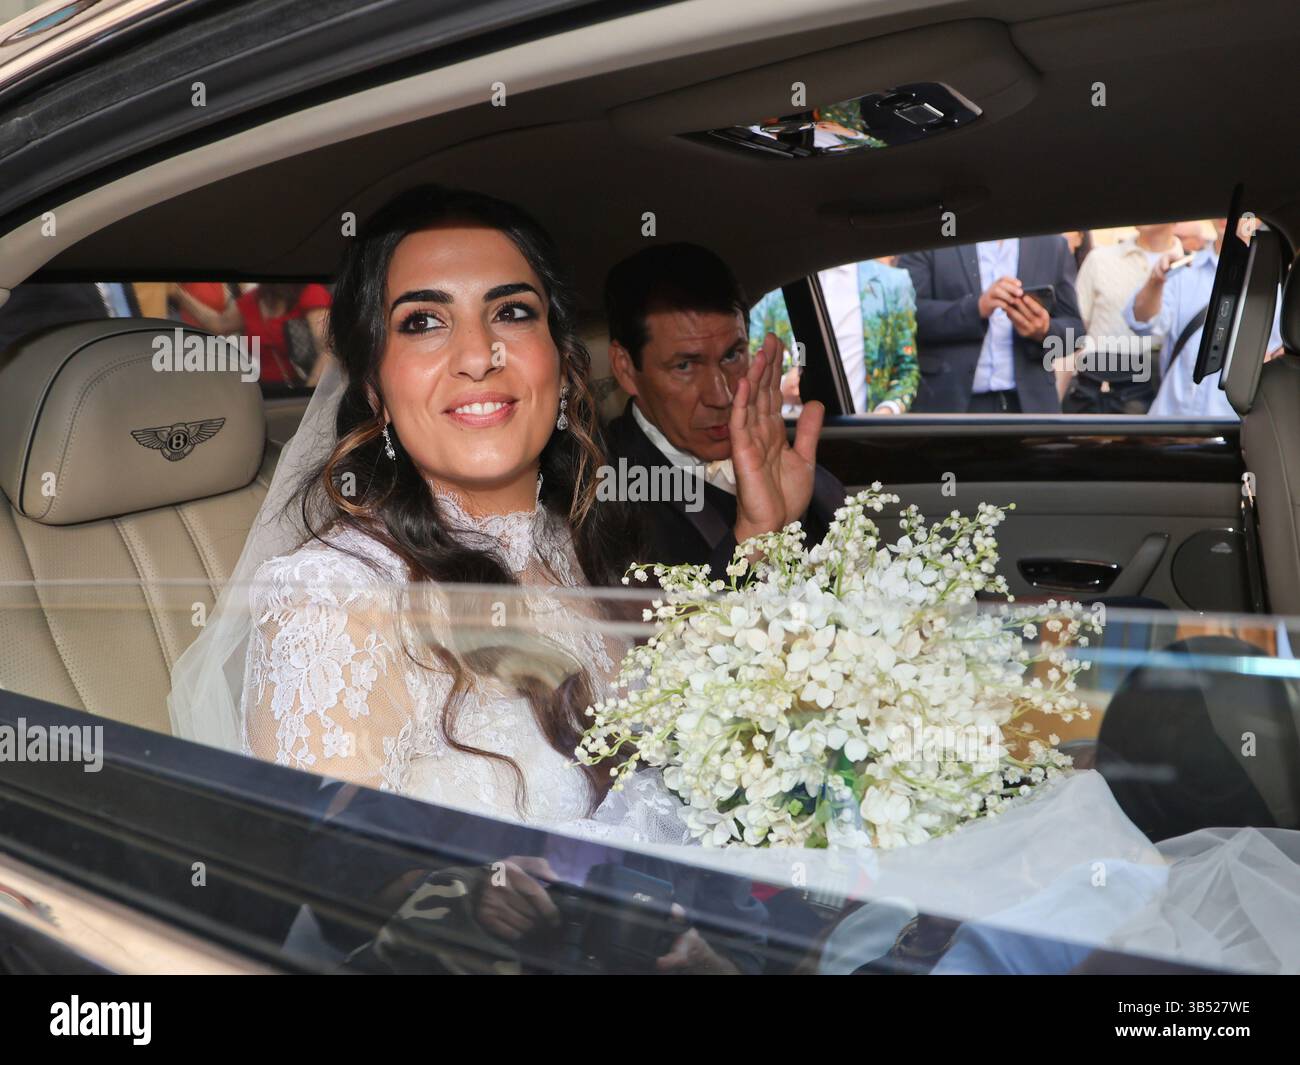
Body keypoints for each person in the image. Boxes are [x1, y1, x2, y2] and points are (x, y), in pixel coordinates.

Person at [165, 186, 826, 971]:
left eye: (512, 312)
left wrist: (761, 535)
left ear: (559, 354)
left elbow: (715, 745)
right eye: (424, 321)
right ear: (375, 384)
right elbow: (344, 903)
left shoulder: (591, 544)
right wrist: (485, 906)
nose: (479, 354)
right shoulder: (332, 599)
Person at [600, 242, 846, 577]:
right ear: (626, 368)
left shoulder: (792, 465)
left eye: (732, 356)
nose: (721, 395)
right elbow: (650, 627)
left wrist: (798, 516)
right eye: (685, 365)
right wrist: (752, 541)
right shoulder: (598, 491)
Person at [898, 235, 1085, 413]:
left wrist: (1044, 330)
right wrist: (976, 308)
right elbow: (907, 317)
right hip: (948, 403)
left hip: (1029, 407)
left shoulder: (1051, 244)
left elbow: (1076, 333)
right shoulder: (931, 237)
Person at [1125, 217, 1280, 418]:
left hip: (1236, 430)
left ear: (1260, 218)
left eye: (1245, 210)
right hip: (1171, 423)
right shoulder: (1182, 271)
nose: (1230, 216)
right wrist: (1155, 282)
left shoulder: (1277, 289)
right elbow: (1142, 324)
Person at [747, 256, 919, 414]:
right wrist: (781, 388)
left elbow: (906, 370)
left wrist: (885, 413)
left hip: (860, 434)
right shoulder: (773, 285)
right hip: (789, 431)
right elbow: (751, 365)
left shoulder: (892, 282)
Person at [1067, 223, 1184, 413]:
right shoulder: (1100, 259)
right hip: (1097, 395)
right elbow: (1073, 333)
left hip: (1163, 400)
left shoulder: (1193, 268)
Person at [170, 280, 332, 385]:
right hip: (267, 393)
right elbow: (218, 324)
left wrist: (311, 391)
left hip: (303, 392)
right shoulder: (252, 300)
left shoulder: (310, 291)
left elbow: (327, 348)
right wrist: (179, 295)